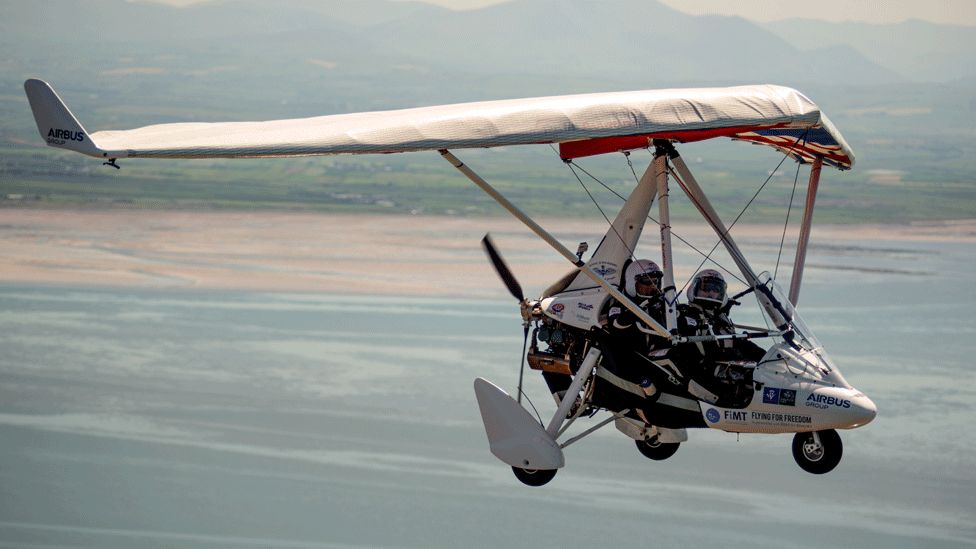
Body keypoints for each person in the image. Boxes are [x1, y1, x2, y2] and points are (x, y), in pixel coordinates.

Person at [605, 259, 668, 354]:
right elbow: (616, 324)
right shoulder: (619, 306)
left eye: (655, 281)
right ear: (632, 282)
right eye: (647, 281)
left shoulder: (660, 306)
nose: (653, 286)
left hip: (658, 355)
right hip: (633, 359)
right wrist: (642, 307)